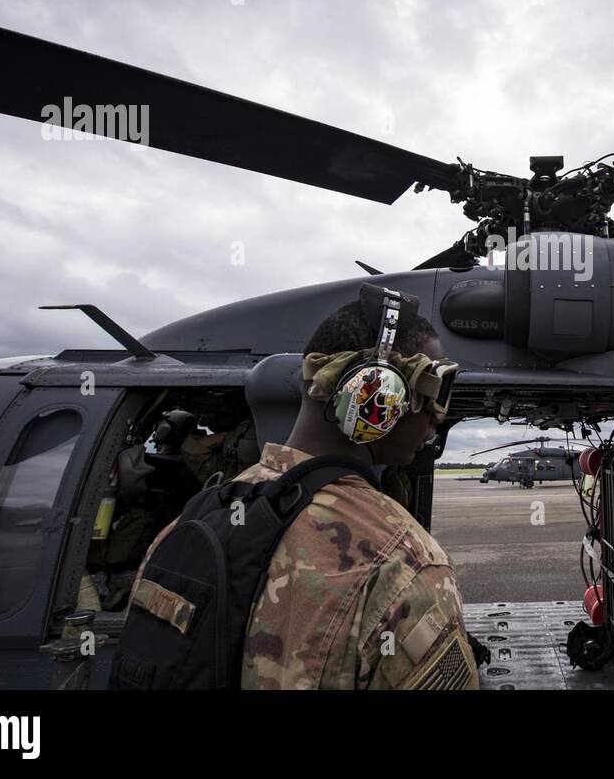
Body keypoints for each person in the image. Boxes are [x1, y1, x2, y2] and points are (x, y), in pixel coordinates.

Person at [134, 294, 479, 690]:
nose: (438, 415)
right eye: (434, 389)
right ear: (376, 392)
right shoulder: (402, 563)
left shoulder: (192, 520)